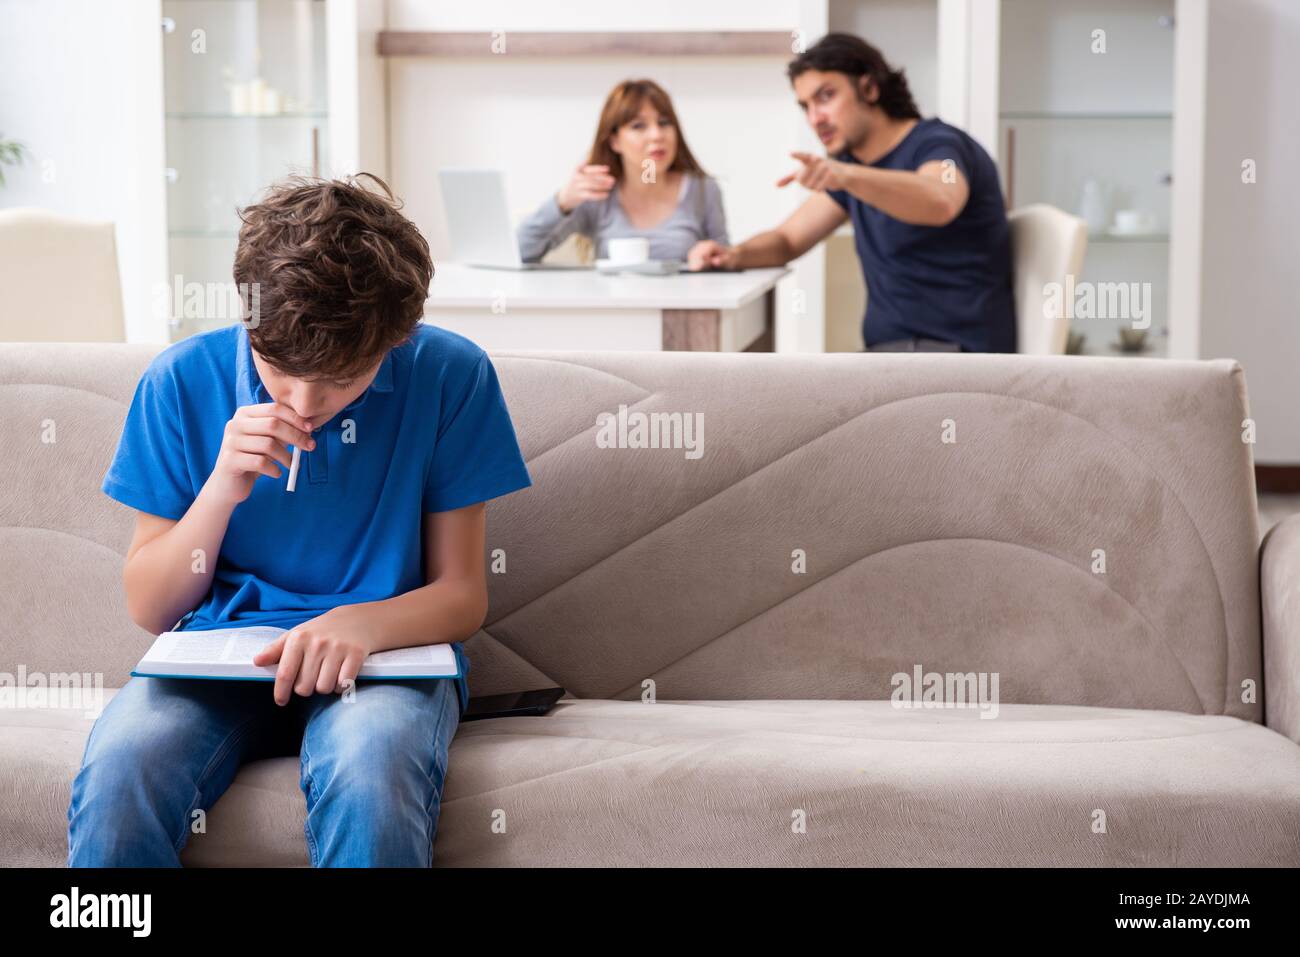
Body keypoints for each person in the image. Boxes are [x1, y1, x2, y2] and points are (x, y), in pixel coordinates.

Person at [67, 173, 533, 867]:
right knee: (121, 767)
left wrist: (362, 625)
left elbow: (463, 593)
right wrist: (222, 487)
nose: (306, 401)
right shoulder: (179, 381)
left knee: (372, 767)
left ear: (396, 338)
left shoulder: (449, 376)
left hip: (383, 664)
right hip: (216, 657)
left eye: (344, 377)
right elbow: (150, 604)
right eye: (279, 369)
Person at [687, 33, 1016, 353]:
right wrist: (733, 255)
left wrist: (844, 175)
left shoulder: (938, 144)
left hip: (957, 359)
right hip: (896, 355)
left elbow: (941, 200)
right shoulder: (854, 168)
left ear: (869, 88)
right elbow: (788, 240)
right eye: (806, 106)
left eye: (826, 96)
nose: (815, 118)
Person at [518, 78, 728, 264]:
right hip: (616, 307)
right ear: (615, 141)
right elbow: (521, 251)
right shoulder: (597, 195)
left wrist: (714, 257)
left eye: (664, 123)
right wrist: (562, 202)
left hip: (680, 307)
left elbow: (726, 261)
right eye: (639, 126)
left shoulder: (702, 190)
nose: (656, 135)